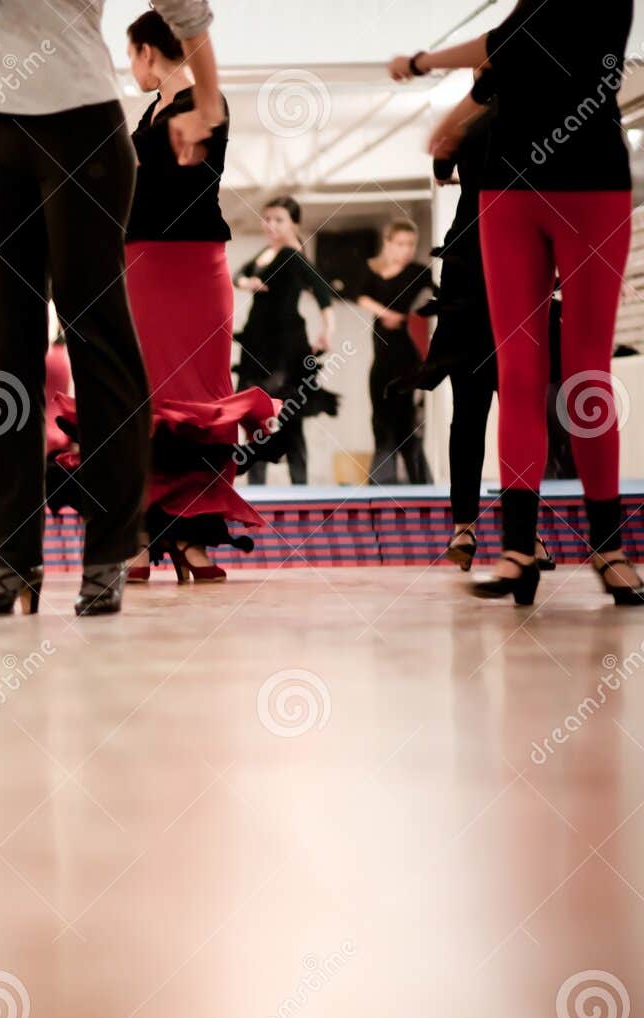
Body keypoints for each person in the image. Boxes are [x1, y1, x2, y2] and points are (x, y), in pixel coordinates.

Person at [0, 0, 223, 617]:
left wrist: (211, 99)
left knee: (96, 333)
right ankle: (14, 561)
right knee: (2, 348)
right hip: (3, 134)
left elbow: (183, 7)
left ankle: (109, 555)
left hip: (85, 126)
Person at [391, 0, 641, 606]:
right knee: (520, 370)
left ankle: (608, 546)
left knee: (586, 371)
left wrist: (422, 62)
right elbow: (498, 75)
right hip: (507, 186)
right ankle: (517, 550)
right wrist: (453, 125)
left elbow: (509, 43)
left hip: (591, 183)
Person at [121, 9, 277, 585]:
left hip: (193, 262)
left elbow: (174, 182)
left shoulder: (205, 102)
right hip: (141, 264)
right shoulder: (149, 113)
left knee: (201, 397)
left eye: (129, 54)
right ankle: (138, 536)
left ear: (145, 51)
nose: (129, 66)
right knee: (145, 395)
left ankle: (192, 536)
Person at [234, 196, 336, 486]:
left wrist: (328, 329)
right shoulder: (266, 252)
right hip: (257, 342)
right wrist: (247, 283)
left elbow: (321, 291)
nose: (271, 225)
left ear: (294, 224)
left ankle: (300, 486)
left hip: (285, 344)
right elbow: (237, 274)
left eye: (279, 219)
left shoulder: (292, 254)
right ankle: (256, 487)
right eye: (267, 218)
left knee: (289, 417)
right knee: (256, 417)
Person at [354, 219, 434, 485]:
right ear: (388, 243)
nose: (406, 249)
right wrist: (386, 313)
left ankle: (421, 485)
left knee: (406, 426)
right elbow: (360, 296)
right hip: (382, 360)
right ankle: (381, 487)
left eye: (411, 244)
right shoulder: (372, 271)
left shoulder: (419, 272)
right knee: (380, 423)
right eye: (400, 244)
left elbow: (429, 301)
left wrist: (406, 317)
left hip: (408, 359)